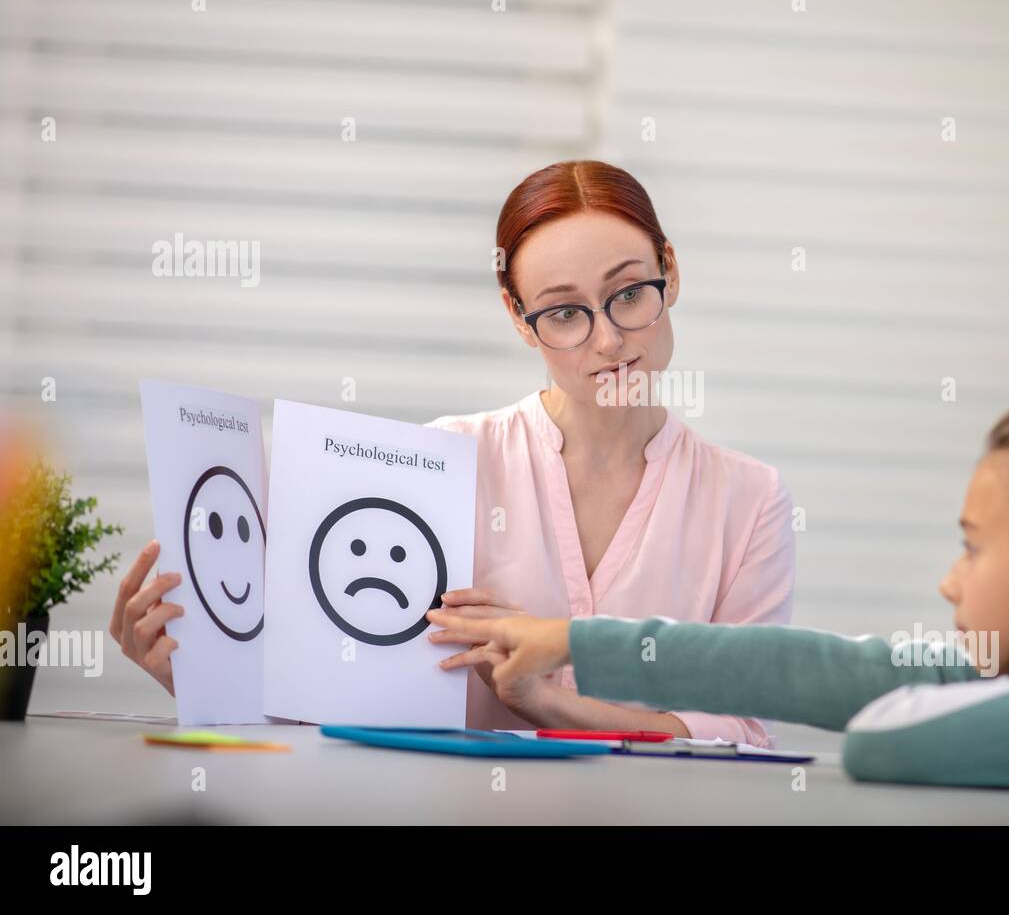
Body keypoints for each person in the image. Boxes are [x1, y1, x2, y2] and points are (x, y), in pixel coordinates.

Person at [428, 356, 1009, 823]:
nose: (950, 580)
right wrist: (574, 641)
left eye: (972, 549)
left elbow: (891, 740)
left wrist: (920, 685)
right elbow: (831, 671)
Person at [110, 160, 796, 745]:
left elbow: (741, 728)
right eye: (564, 312)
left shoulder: (749, 501)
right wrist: (204, 673)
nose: (609, 340)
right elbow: (334, 695)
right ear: (518, 317)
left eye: (628, 294)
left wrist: (550, 705)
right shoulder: (440, 463)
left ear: (669, 270)